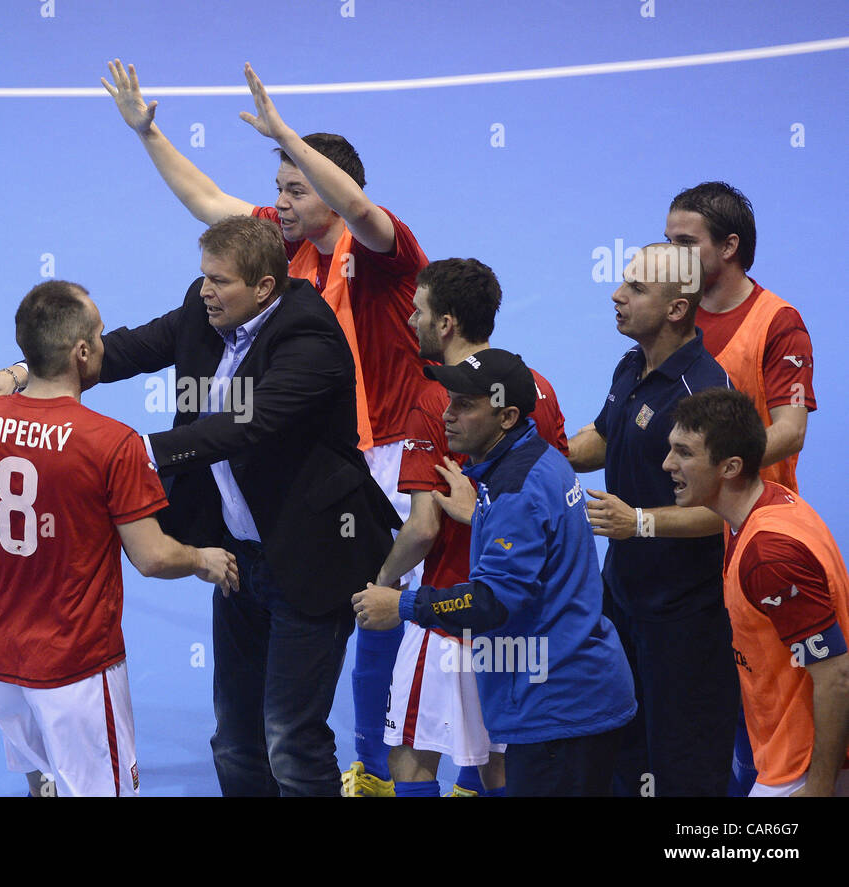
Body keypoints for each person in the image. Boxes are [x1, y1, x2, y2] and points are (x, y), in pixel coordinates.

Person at [0, 216, 400, 796]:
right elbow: (135, 347)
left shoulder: (309, 338)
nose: (205, 290)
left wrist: (130, 450)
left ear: (264, 288)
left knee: (290, 740)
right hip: (238, 554)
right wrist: (19, 374)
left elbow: (247, 424)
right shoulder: (207, 306)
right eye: (203, 277)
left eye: (220, 281)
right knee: (236, 739)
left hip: (311, 554)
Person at [100, 59, 431, 795]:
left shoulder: (376, 254)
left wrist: (285, 131)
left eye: (293, 188)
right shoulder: (274, 247)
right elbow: (206, 199)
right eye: (277, 187)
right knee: (267, 705)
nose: (277, 202)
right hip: (295, 446)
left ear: (331, 193)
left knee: (384, 617)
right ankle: (367, 760)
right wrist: (148, 133)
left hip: (381, 455)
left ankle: (382, 766)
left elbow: (365, 210)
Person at [0, 281, 237, 797]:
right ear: (82, 351)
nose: (106, 346)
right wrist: (201, 558)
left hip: (0, 663)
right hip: (78, 667)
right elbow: (151, 557)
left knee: (43, 787)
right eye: (101, 335)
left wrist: (2, 559)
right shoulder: (112, 442)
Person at [353, 349, 636, 796]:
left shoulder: (514, 492)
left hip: (558, 711)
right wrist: (480, 514)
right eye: (449, 401)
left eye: (464, 405)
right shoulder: (539, 461)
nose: (447, 415)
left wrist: (402, 604)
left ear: (505, 417)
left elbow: (492, 602)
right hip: (576, 694)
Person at [367, 258, 568, 798]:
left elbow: (423, 528)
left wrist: (383, 581)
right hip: (524, 621)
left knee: (411, 759)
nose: (410, 322)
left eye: (418, 312)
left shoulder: (436, 401)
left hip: (449, 617)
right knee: (499, 762)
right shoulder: (539, 389)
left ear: (446, 323)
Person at [567, 243, 738, 796]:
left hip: (684, 614)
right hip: (621, 597)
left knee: (682, 765)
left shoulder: (705, 394)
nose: (617, 295)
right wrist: (530, 450)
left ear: (676, 309)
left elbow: (721, 512)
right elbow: (605, 433)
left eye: (637, 288)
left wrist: (638, 522)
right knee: (618, 746)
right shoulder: (632, 364)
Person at [663, 388, 848, 796]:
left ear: (729, 467)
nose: (668, 464)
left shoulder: (769, 557)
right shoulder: (762, 507)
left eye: (684, 453)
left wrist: (818, 786)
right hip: (784, 751)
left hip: (801, 768)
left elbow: (835, 675)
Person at [664, 182, 815, 492]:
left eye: (685, 243)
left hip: (747, 519)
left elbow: (791, 432)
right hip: (681, 512)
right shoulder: (670, 313)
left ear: (729, 247)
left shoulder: (780, 324)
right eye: (669, 242)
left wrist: (709, 465)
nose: (671, 255)